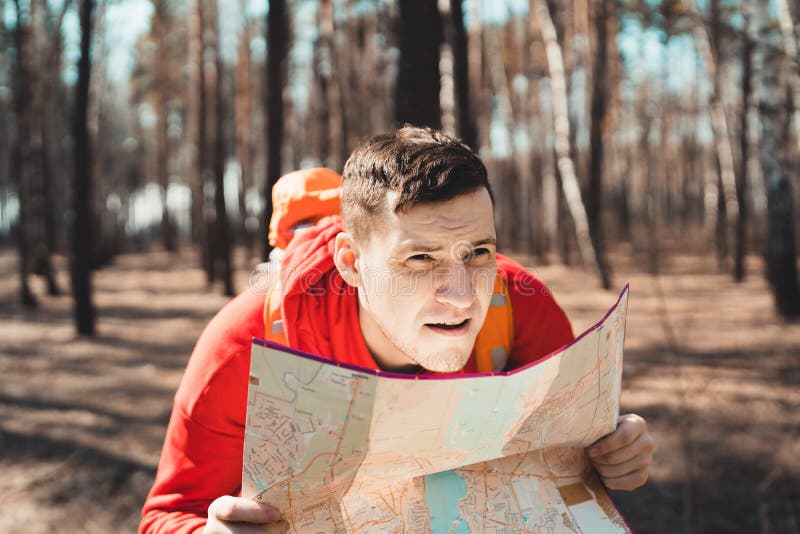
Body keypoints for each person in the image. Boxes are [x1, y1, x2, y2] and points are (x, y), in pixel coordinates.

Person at [139, 127, 655, 534]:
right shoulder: (245, 345)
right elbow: (165, 517)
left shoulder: (520, 305)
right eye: (420, 259)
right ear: (351, 263)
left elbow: (568, 471)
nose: (461, 293)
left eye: (476, 251)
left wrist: (613, 458)